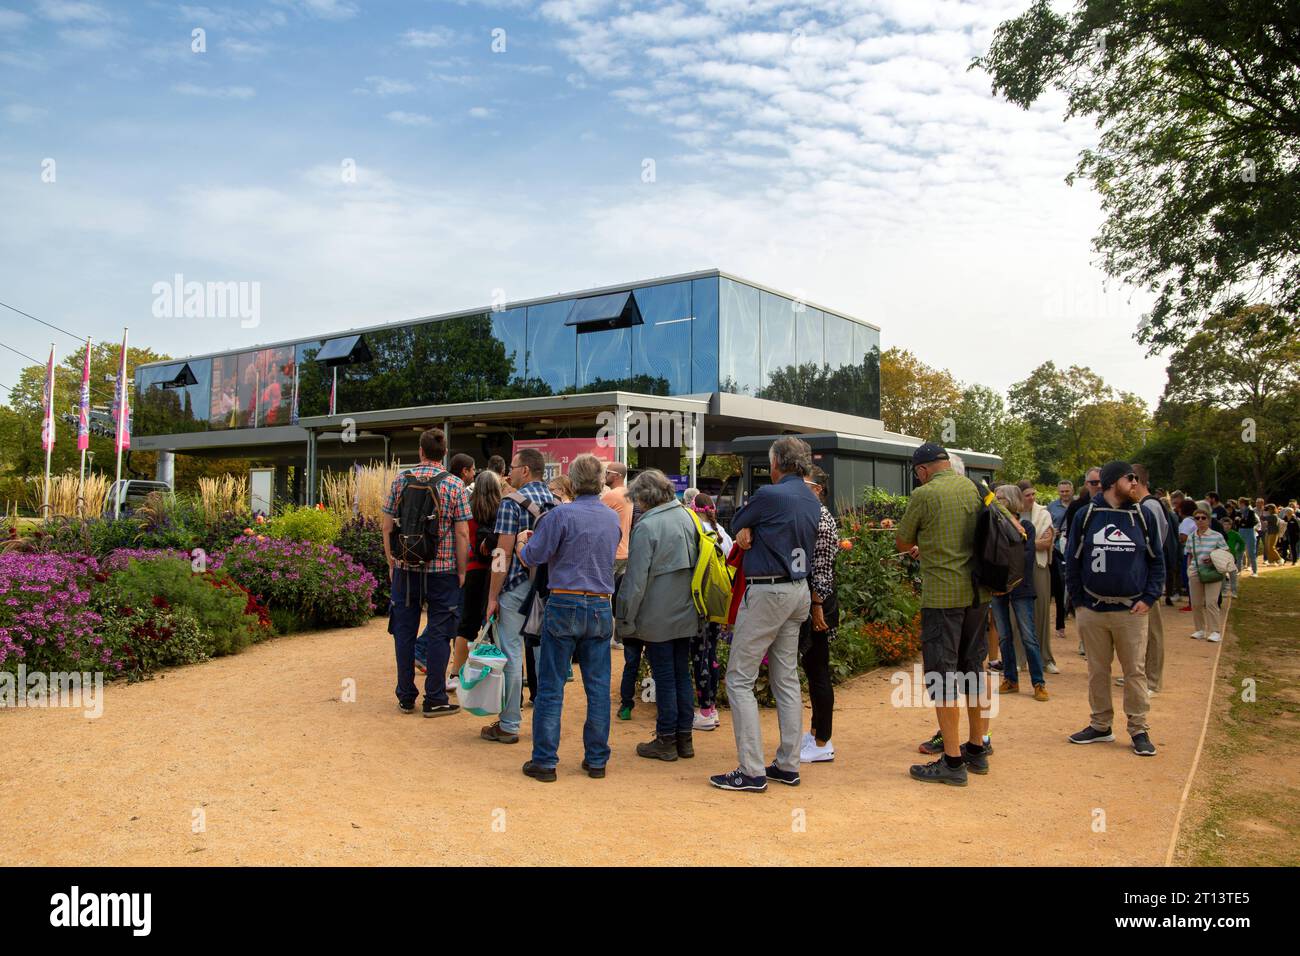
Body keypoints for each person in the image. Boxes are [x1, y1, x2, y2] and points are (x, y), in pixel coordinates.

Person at [709, 436, 820, 793]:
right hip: (798, 590)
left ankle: (752, 770)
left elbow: (736, 519)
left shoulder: (770, 495)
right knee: (786, 677)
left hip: (768, 589)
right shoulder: (810, 497)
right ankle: (788, 764)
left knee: (739, 678)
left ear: (777, 464)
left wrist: (750, 528)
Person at [516, 454, 622, 782]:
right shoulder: (610, 518)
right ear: (601, 481)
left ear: (573, 483)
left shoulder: (560, 515)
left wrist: (523, 542)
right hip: (601, 605)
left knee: (551, 686)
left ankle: (545, 761)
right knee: (598, 685)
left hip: (564, 602)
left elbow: (534, 556)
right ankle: (596, 758)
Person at [895, 443, 991, 786]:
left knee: (943, 677)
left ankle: (952, 762)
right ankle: (977, 750)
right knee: (974, 672)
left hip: (943, 596)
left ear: (922, 471)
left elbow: (903, 542)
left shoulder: (925, 494)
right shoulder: (975, 488)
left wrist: (925, 546)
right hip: (978, 596)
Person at [1066, 461, 1164, 757]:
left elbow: (1157, 561)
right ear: (1111, 483)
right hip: (1093, 610)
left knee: (1134, 671)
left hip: (1130, 612)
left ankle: (1138, 728)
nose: (1135, 482)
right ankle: (1100, 725)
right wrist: (1079, 603)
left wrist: (1149, 597)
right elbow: (1072, 561)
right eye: (1129, 478)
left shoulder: (1143, 515)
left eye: (1136, 478)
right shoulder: (1086, 515)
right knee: (1097, 669)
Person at [382, 428, 471, 718]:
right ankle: (434, 698)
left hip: (406, 568)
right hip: (443, 570)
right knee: (439, 631)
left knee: (404, 631)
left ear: (420, 451)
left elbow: (386, 527)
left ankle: (406, 695)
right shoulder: (455, 485)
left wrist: (391, 563)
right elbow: (461, 534)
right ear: (444, 454)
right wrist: (461, 571)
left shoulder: (400, 480)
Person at [616, 469, 702, 761]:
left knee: (664, 675)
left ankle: (666, 739)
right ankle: (684, 740)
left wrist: (625, 618)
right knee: (681, 674)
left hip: (657, 615)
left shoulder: (647, 526)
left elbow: (635, 580)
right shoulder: (688, 517)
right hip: (687, 610)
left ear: (645, 496)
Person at [481, 447, 557, 745]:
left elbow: (502, 553)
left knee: (512, 652)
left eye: (512, 467)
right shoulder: (557, 502)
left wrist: (492, 596)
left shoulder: (511, 503)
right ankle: (545, 725)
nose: (508, 473)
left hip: (515, 587)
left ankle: (510, 723)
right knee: (542, 653)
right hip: (547, 587)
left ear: (525, 470)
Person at [799, 467, 841, 761]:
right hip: (815, 602)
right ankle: (815, 733)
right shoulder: (814, 516)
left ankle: (823, 740)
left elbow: (822, 572)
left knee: (818, 671)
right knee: (814, 669)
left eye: (803, 485)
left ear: (817, 489)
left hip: (819, 605)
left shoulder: (821, 521)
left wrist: (816, 607)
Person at [990, 485, 1047, 700]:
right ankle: (1011, 679)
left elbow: (1027, 558)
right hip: (997, 589)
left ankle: (1038, 682)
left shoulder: (1026, 527)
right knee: (1004, 636)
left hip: (1021, 587)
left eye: (1001, 498)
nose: (997, 500)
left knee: (1028, 636)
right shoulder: (992, 526)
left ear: (1012, 501)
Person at [447, 469, 501, 692]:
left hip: (472, 569)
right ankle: (498, 674)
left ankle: (454, 674)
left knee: (467, 624)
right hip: (496, 570)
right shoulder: (502, 509)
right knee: (497, 626)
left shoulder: (468, 508)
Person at [1128, 464, 1171, 696]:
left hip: (1148, 579)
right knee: (1140, 632)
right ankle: (1141, 675)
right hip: (1138, 578)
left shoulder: (1150, 506)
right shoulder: (1139, 506)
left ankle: (1153, 680)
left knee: (1152, 631)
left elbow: (1154, 546)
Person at [690, 493, 730, 732]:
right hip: (718, 599)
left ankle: (705, 710)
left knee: (699, 656)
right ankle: (711, 708)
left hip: (700, 600)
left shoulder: (697, 530)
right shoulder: (722, 532)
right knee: (711, 653)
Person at [1014, 479, 1057, 674]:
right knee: (1015, 616)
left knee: (1041, 612)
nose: (1032, 498)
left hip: (1039, 566)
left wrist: (1025, 544)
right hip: (1017, 569)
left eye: (1033, 494)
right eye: (1027, 495)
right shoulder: (1011, 514)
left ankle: (1045, 658)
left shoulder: (1044, 513)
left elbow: (1046, 543)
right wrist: (1033, 542)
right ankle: (1018, 659)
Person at [1064, 467, 1102, 655]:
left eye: (1101, 481)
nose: (1098, 486)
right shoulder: (1077, 507)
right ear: (1087, 484)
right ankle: (1084, 642)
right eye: (1094, 483)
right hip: (1084, 564)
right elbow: (1073, 540)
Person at [602, 461, 634, 651]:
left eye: (608, 472)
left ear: (617, 476)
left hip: (612, 552)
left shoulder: (611, 496)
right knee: (619, 597)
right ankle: (617, 637)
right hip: (626, 551)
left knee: (604, 596)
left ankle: (607, 637)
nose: (605, 475)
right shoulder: (629, 494)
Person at [1185, 506, 1228, 642]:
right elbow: (1190, 555)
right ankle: (1200, 629)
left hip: (1212, 572)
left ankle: (1215, 631)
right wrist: (1189, 570)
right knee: (1196, 603)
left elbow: (1225, 553)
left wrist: (1213, 558)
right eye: (1197, 518)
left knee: (1211, 602)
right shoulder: (1191, 537)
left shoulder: (1217, 536)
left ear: (1209, 520)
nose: (1200, 520)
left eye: (1203, 518)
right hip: (1196, 572)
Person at [1046, 480, 1074, 647]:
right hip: (1055, 549)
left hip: (1071, 548)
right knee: (1058, 585)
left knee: (1067, 584)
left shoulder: (1077, 505)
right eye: (1062, 491)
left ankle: (1067, 612)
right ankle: (1060, 621)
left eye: (1067, 491)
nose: (1064, 494)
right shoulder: (1051, 507)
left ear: (1072, 490)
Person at [1236, 497, 1259, 575]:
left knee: (1251, 552)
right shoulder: (1239, 512)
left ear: (1243, 503)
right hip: (1241, 531)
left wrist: (1242, 522)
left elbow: (1253, 522)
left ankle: (1255, 572)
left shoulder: (1251, 512)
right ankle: (1239, 570)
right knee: (1239, 552)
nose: (1238, 504)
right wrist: (1242, 522)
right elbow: (1237, 523)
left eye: (1239, 503)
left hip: (1250, 532)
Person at [1223, 517, 1245, 598]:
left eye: (1228, 524)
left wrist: (1239, 551)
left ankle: (1234, 591)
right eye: (1225, 524)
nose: (1226, 526)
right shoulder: (1220, 534)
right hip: (1222, 557)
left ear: (1231, 525)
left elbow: (1242, 542)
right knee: (1222, 575)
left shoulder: (1235, 534)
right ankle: (1224, 591)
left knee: (1232, 575)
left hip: (1232, 557)